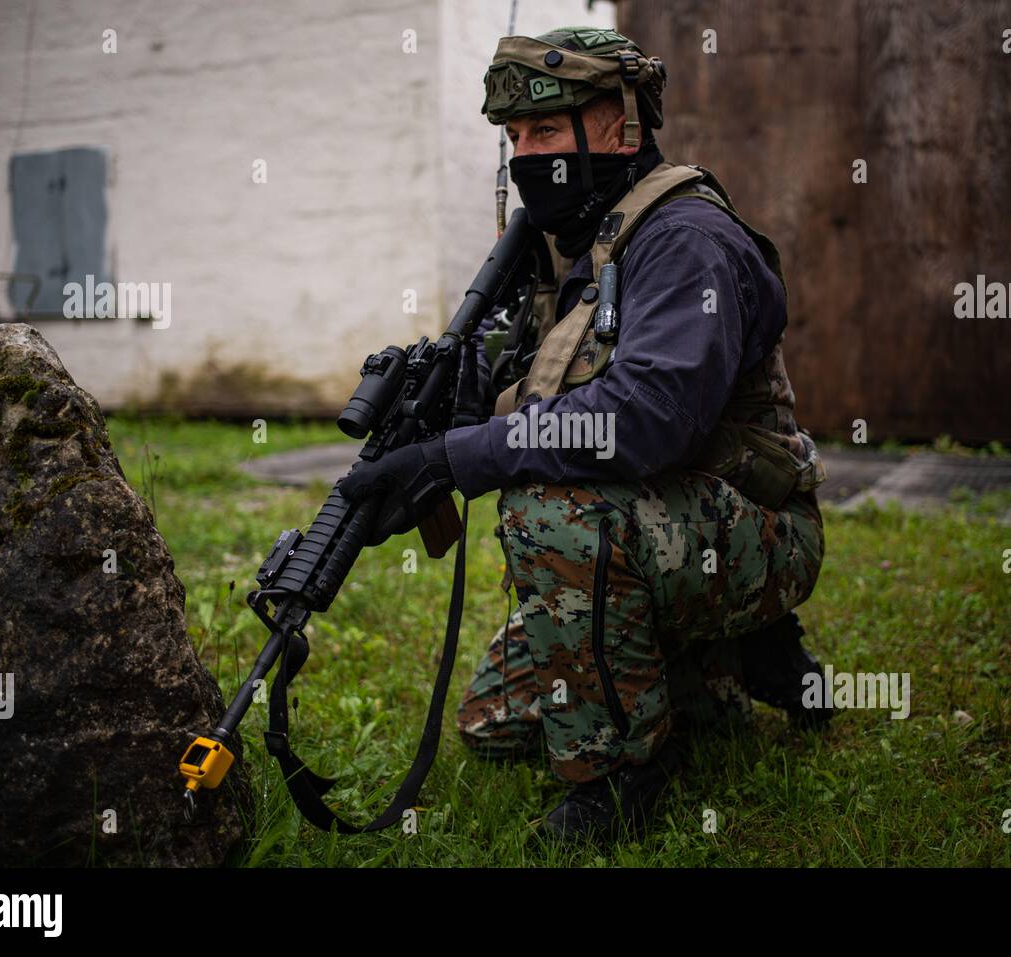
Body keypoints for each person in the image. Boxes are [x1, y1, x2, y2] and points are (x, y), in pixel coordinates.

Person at [338, 26, 830, 842]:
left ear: (616, 123)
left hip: (760, 522)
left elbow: (642, 421)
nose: (526, 157)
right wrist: (449, 412)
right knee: (492, 718)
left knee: (551, 509)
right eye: (514, 139)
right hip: (671, 517)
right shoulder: (577, 244)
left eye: (543, 132)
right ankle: (723, 660)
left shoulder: (685, 242)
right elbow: (536, 386)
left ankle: (620, 774)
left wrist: (463, 459)